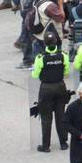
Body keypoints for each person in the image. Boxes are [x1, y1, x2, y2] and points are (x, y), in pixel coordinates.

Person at [31, 24, 70, 152]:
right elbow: (66, 72)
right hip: (60, 86)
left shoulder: (40, 58)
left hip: (46, 88)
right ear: (56, 42)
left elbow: (35, 74)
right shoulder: (63, 55)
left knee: (46, 117)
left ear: (45, 44)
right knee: (61, 115)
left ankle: (46, 146)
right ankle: (63, 143)